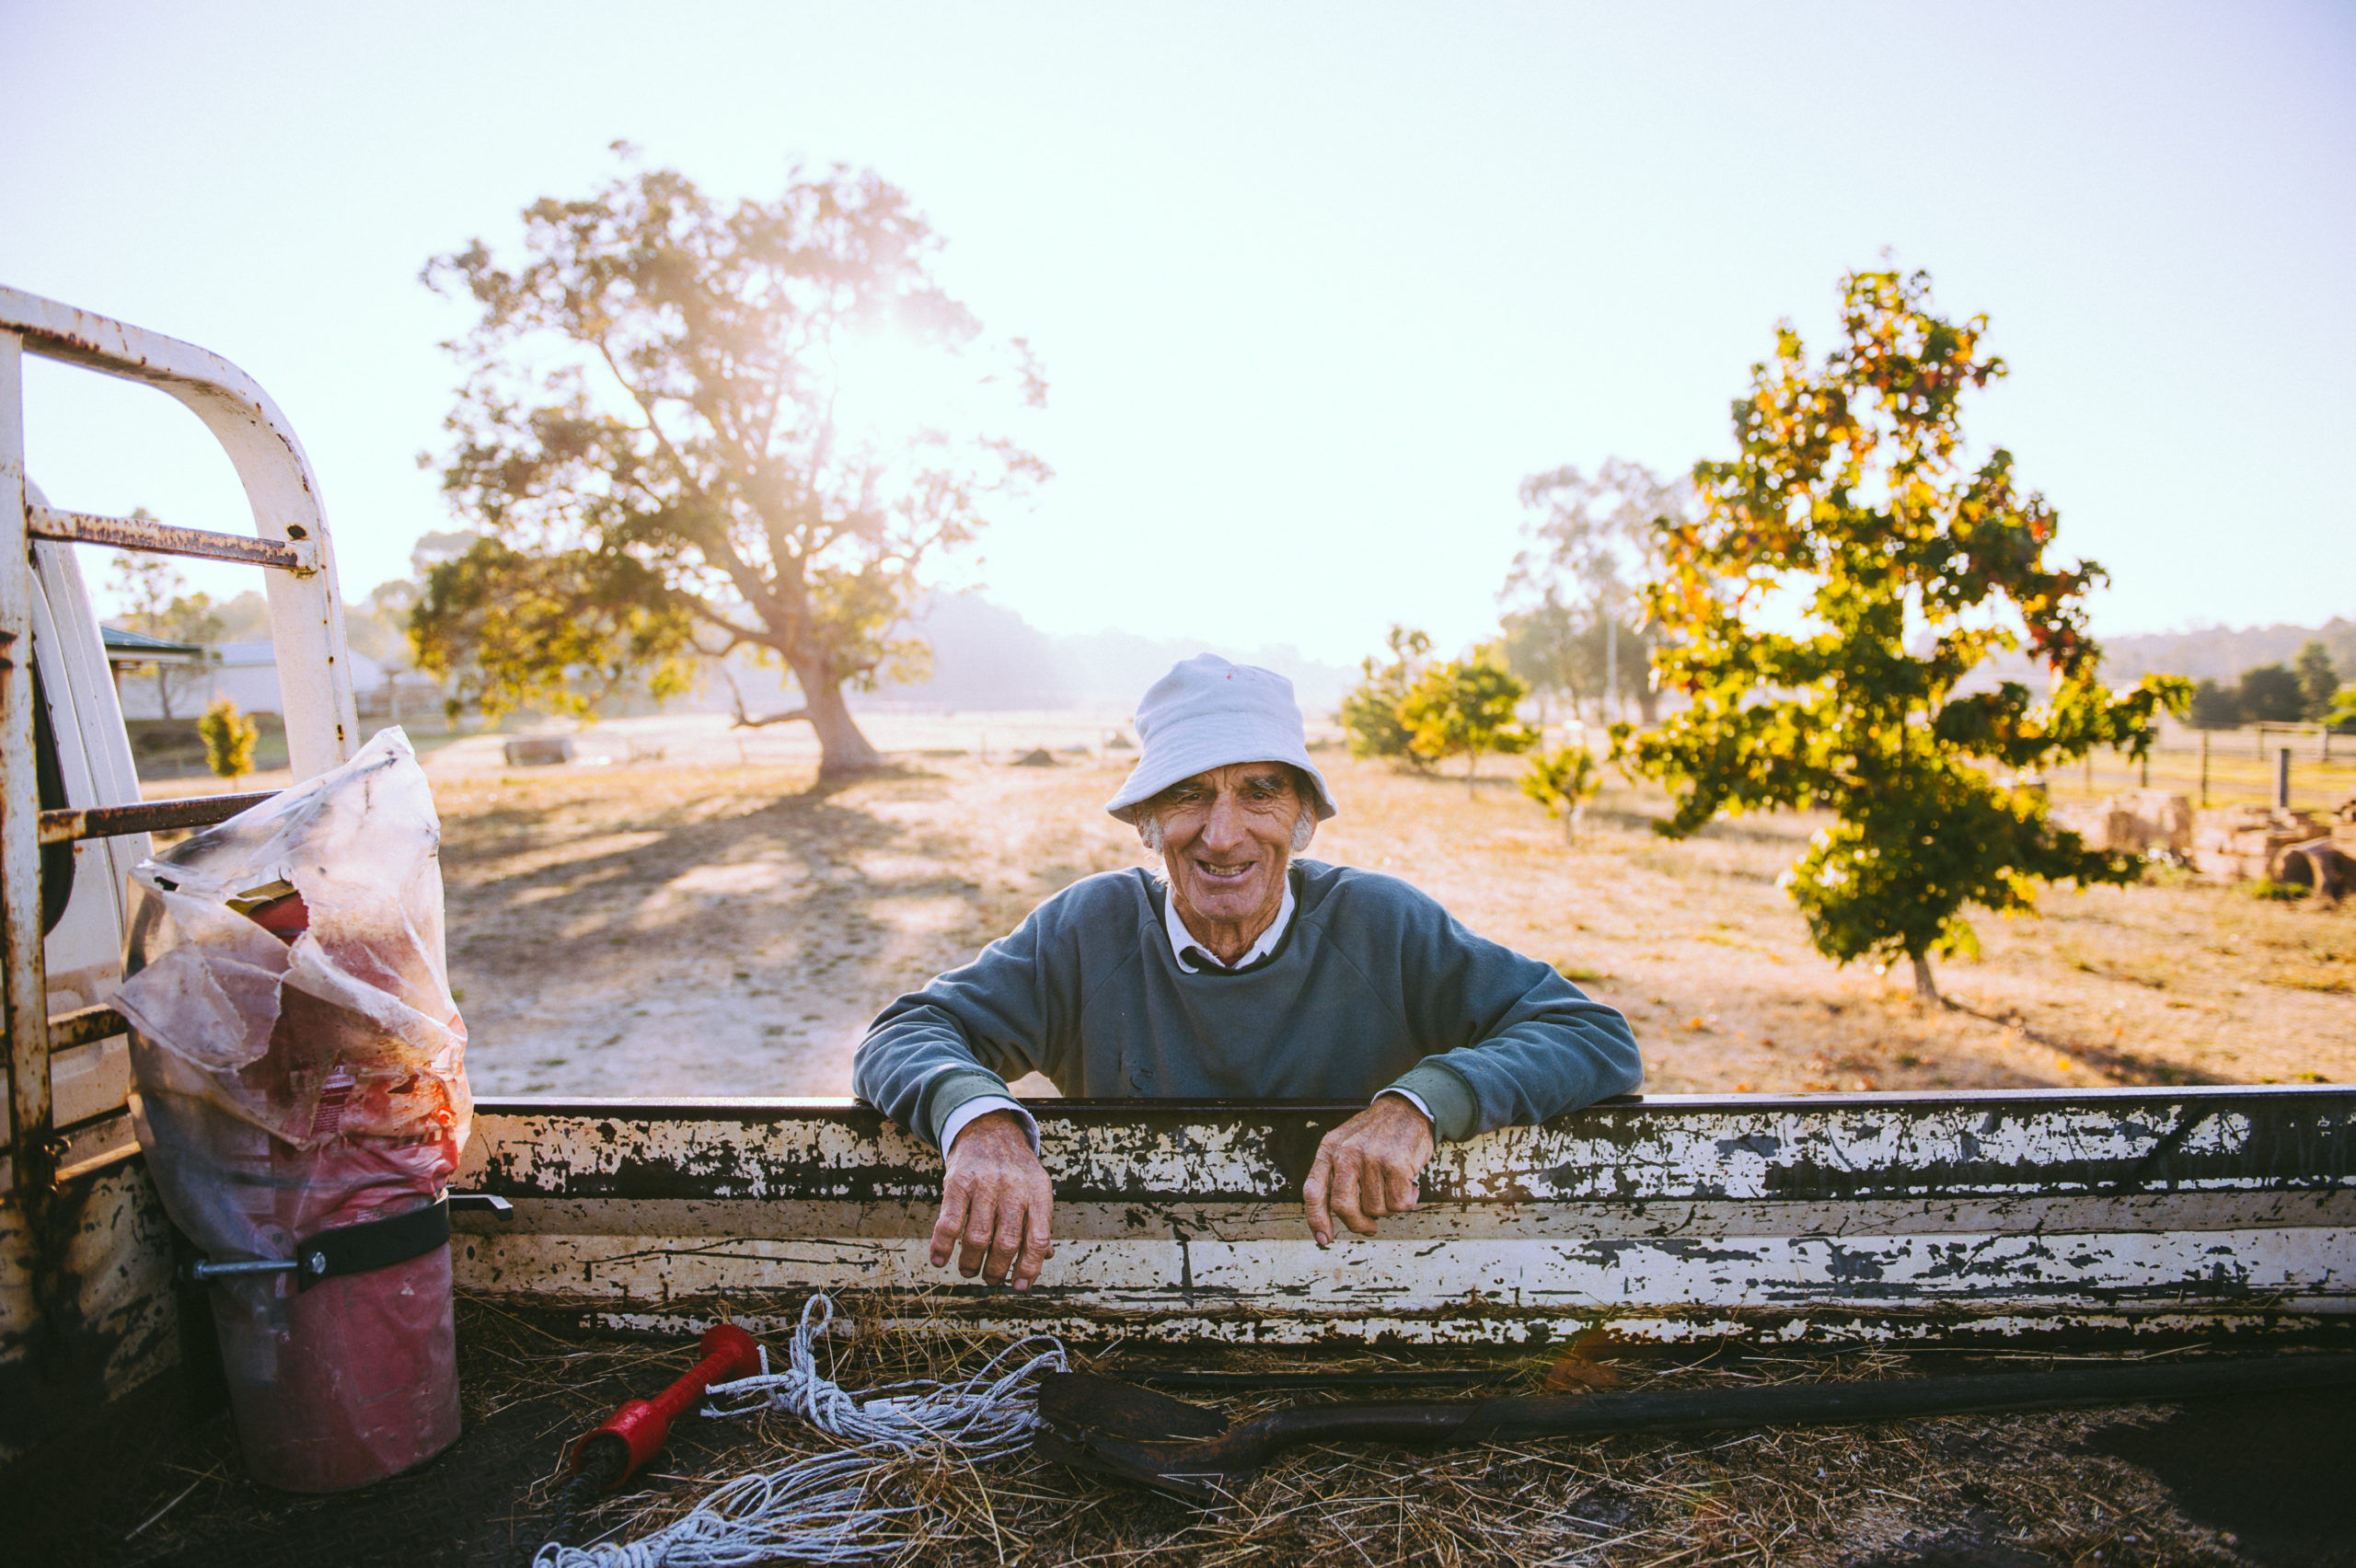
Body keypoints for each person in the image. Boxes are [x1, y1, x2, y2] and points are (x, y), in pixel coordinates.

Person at [852, 654, 1643, 1291]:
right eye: (1190, 795)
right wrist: (983, 1125)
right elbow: (906, 1032)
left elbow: (1593, 1037)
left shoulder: (1381, 923)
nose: (1223, 835)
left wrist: (1418, 1106)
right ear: (1150, 821)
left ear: (1302, 818)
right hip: (1133, 1298)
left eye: (1259, 792)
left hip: (1361, 1294)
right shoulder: (1088, 930)